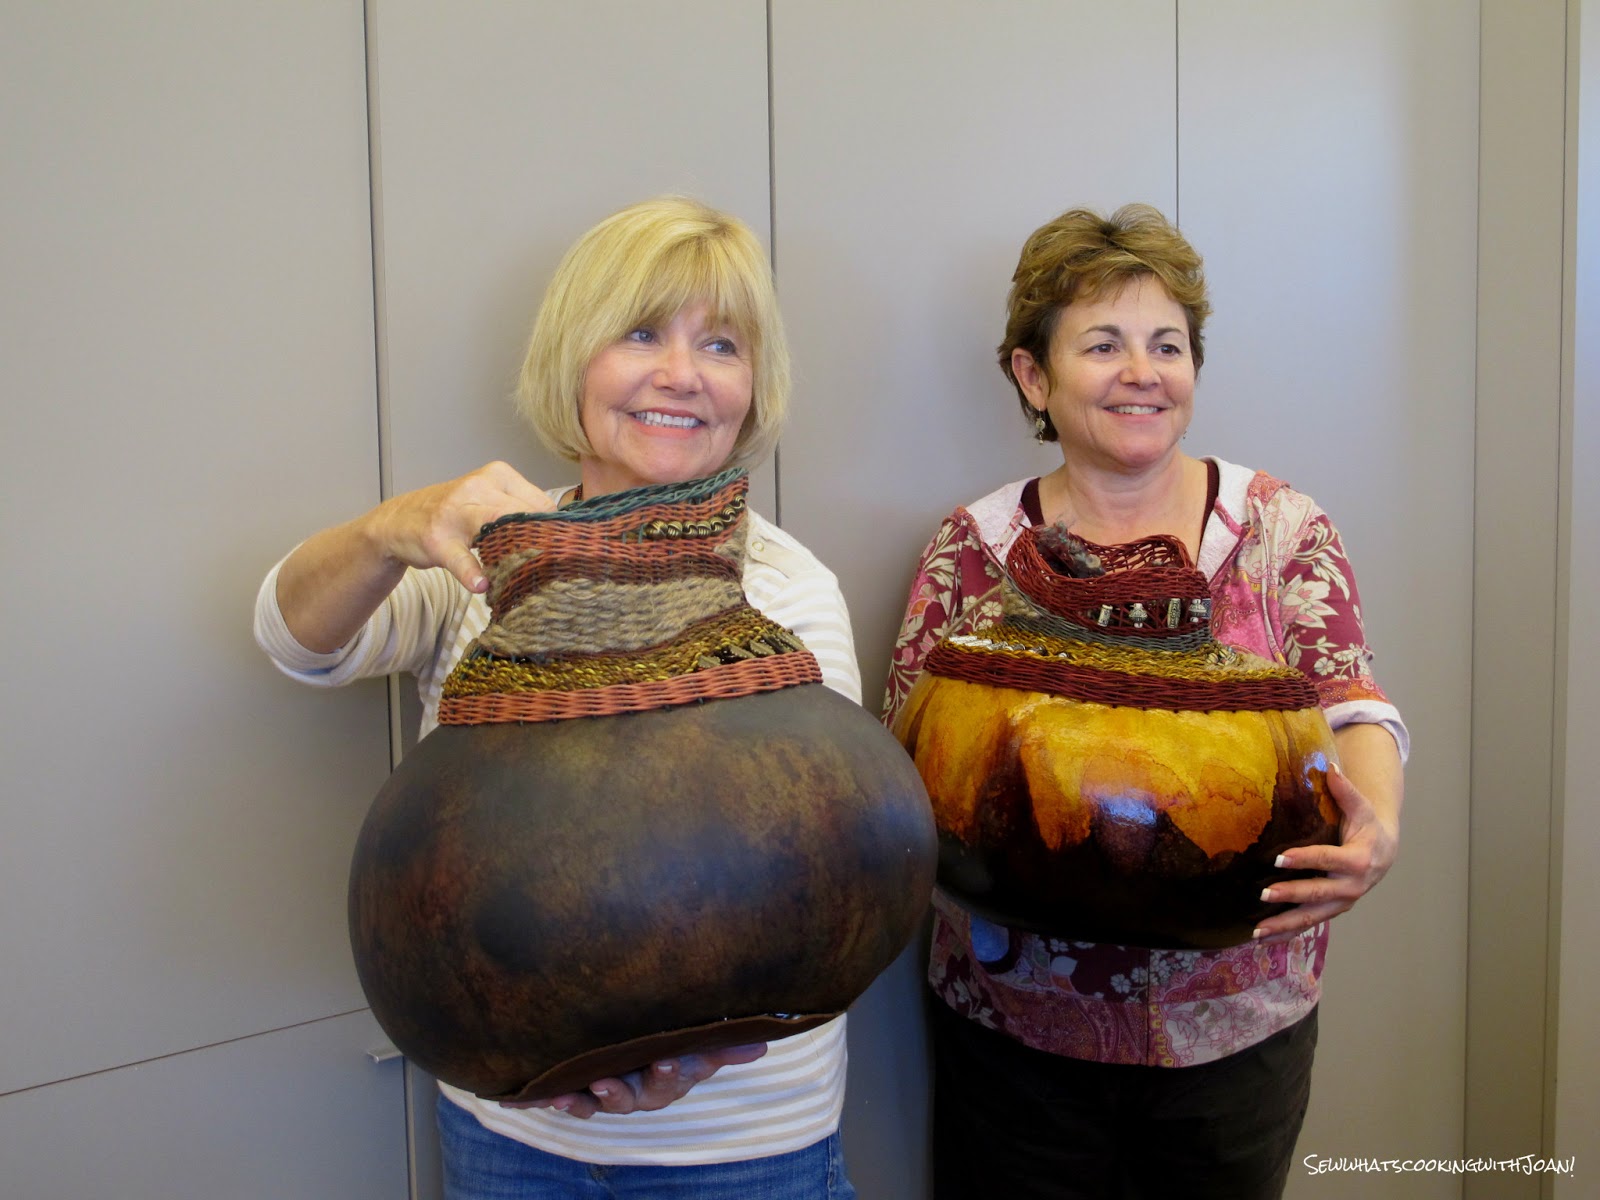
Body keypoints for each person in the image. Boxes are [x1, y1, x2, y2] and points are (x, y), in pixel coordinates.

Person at [255, 196, 860, 1199]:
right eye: (639, 332)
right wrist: (392, 528)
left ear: (751, 389)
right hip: (509, 1134)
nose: (680, 373)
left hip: (744, 1149)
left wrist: (696, 1056)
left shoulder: (790, 586)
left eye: (719, 343)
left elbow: (823, 871)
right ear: (572, 360)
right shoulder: (486, 551)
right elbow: (293, 639)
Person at [882, 203, 1407, 1200]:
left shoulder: (1279, 528)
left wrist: (1374, 823)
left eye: (1167, 345)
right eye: (1103, 344)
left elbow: (1352, 703)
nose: (1142, 372)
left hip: (1238, 1022)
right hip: (1015, 1032)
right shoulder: (976, 548)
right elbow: (902, 760)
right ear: (1032, 376)